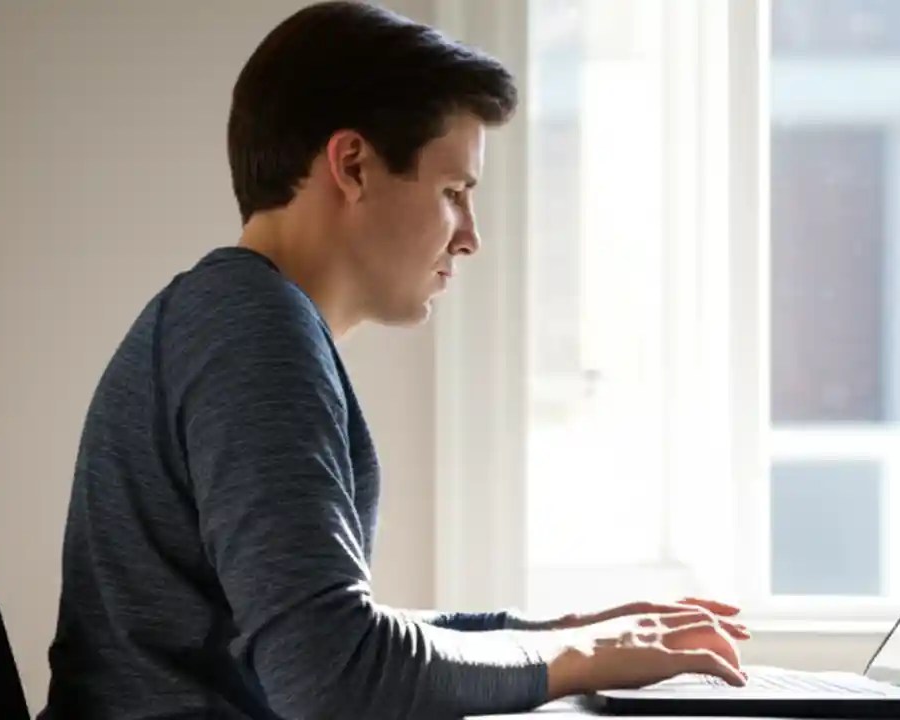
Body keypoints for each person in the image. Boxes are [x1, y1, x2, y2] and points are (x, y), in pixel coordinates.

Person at [38, 3, 750, 718]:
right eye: (453, 193)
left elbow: (329, 634)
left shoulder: (233, 315)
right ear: (353, 165)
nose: (470, 236)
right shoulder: (252, 329)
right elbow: (331, 674)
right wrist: (571, 660)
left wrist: (557, 634)